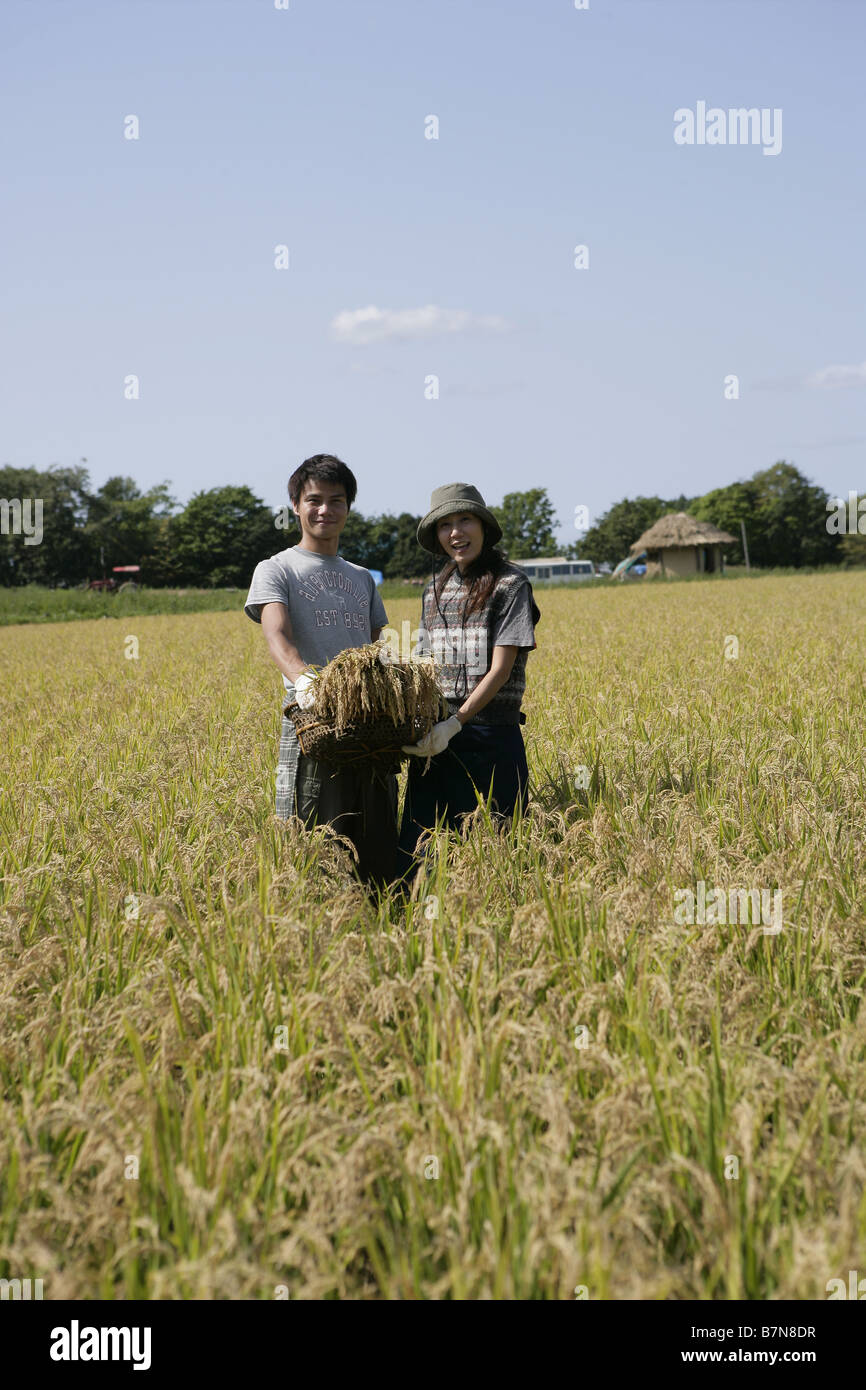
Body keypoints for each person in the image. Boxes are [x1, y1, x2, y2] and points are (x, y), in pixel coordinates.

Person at [244, 454, 398, 889]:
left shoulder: (362, 577)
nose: (325, 510)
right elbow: (277, 635)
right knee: (309, 829)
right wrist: (306, 680)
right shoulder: (276, 569)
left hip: (366, 723)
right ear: (295, 505)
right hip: (309, 718)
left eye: (336, 500)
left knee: (374, 830)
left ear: (348, 507)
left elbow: (375, 648)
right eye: (314, 500)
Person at [396, 482, 540, 883]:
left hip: (491, 736)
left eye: (465, 520)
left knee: (499, 849)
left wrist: (456, 722)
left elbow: (501, 668)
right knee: (419, 849)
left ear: (483, 526)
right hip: (436, 739)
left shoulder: (511, 586)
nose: (456, 532)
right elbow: (425, 661)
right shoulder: (434, 591)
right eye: (445, 525)